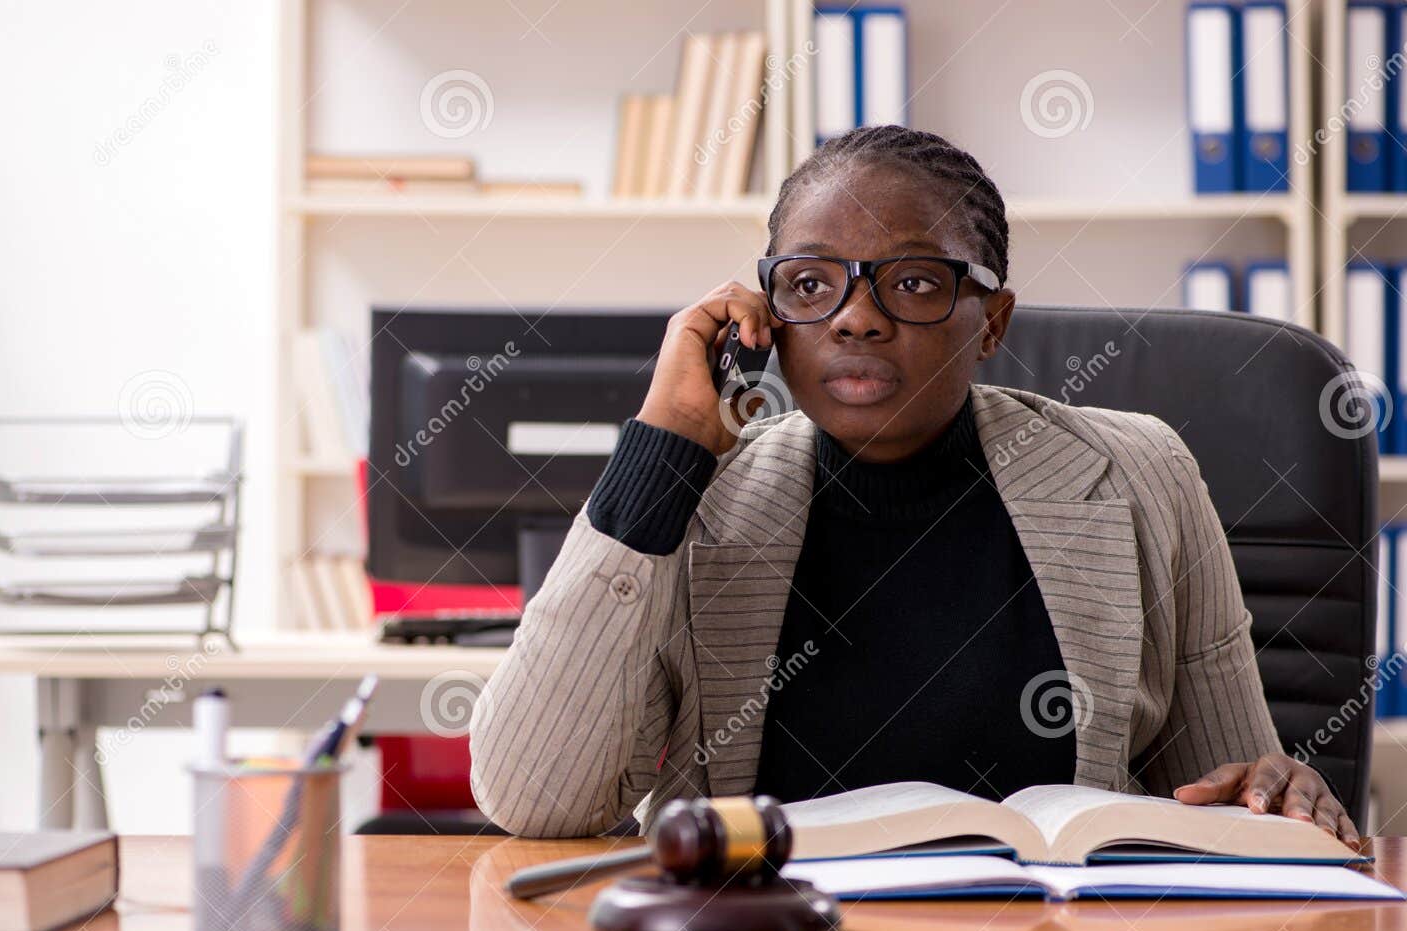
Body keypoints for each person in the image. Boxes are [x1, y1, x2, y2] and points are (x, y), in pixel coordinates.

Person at [469, 124, 1361, 851]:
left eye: (914, 283)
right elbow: (538, 798)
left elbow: (1226, 796)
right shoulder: (703, 495)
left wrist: (1275, 798)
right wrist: (664, 447)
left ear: (991, 325)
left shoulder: (1140, 474)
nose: (857, 315)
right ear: (768, 320)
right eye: (811, 284)